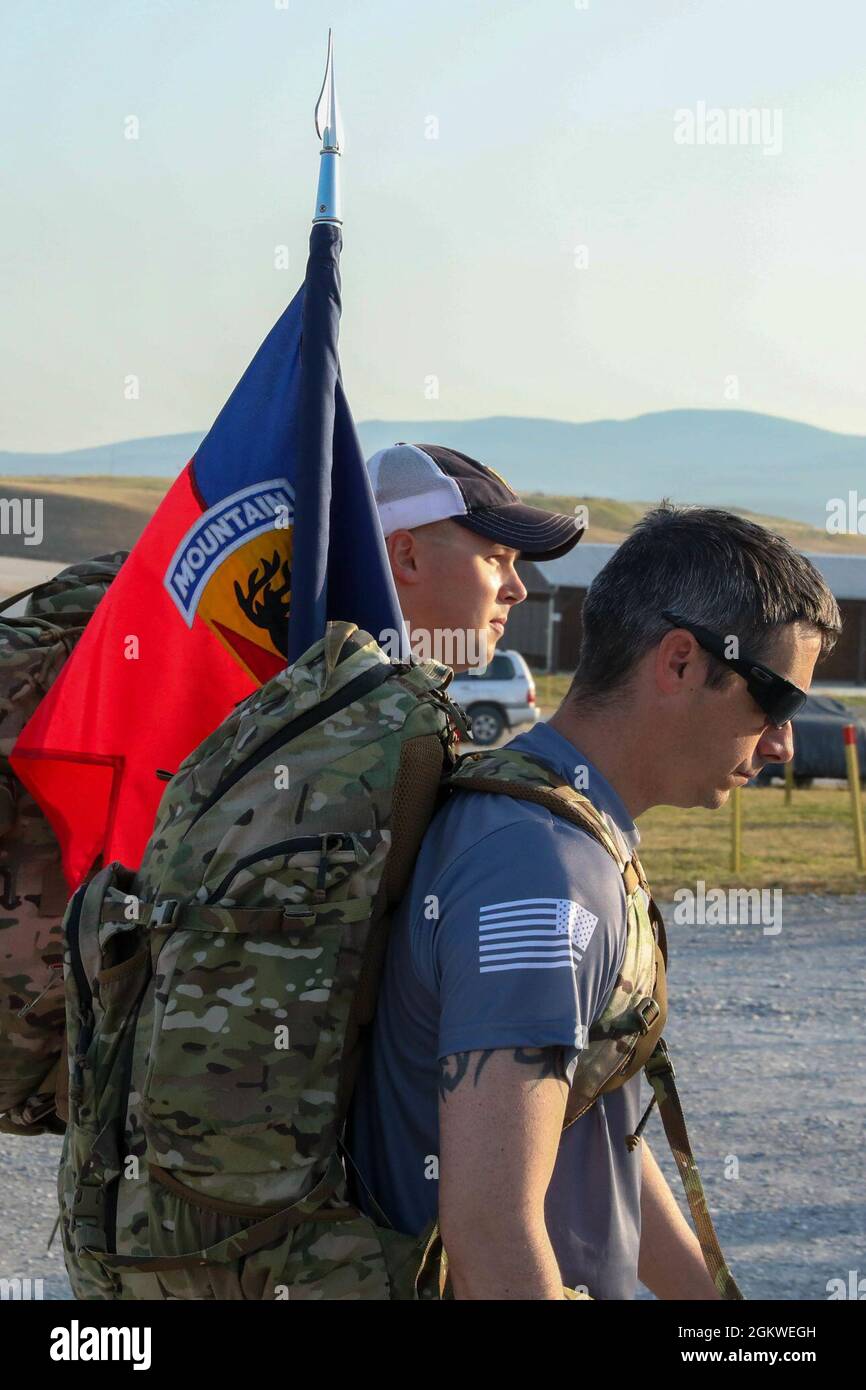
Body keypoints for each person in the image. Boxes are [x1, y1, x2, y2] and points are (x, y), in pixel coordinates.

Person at [346, 501, 842, 1300]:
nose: (782, 742)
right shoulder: (541, 873)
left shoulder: (559, 826)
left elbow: (589, 1120)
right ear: (679, 662)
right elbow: (492, 1234)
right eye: (772, 700)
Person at [365, 442, 582, 671]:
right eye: (495, 558)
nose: (518, 592)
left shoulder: (341, 689)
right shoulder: (369, 704)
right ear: (406, 557)